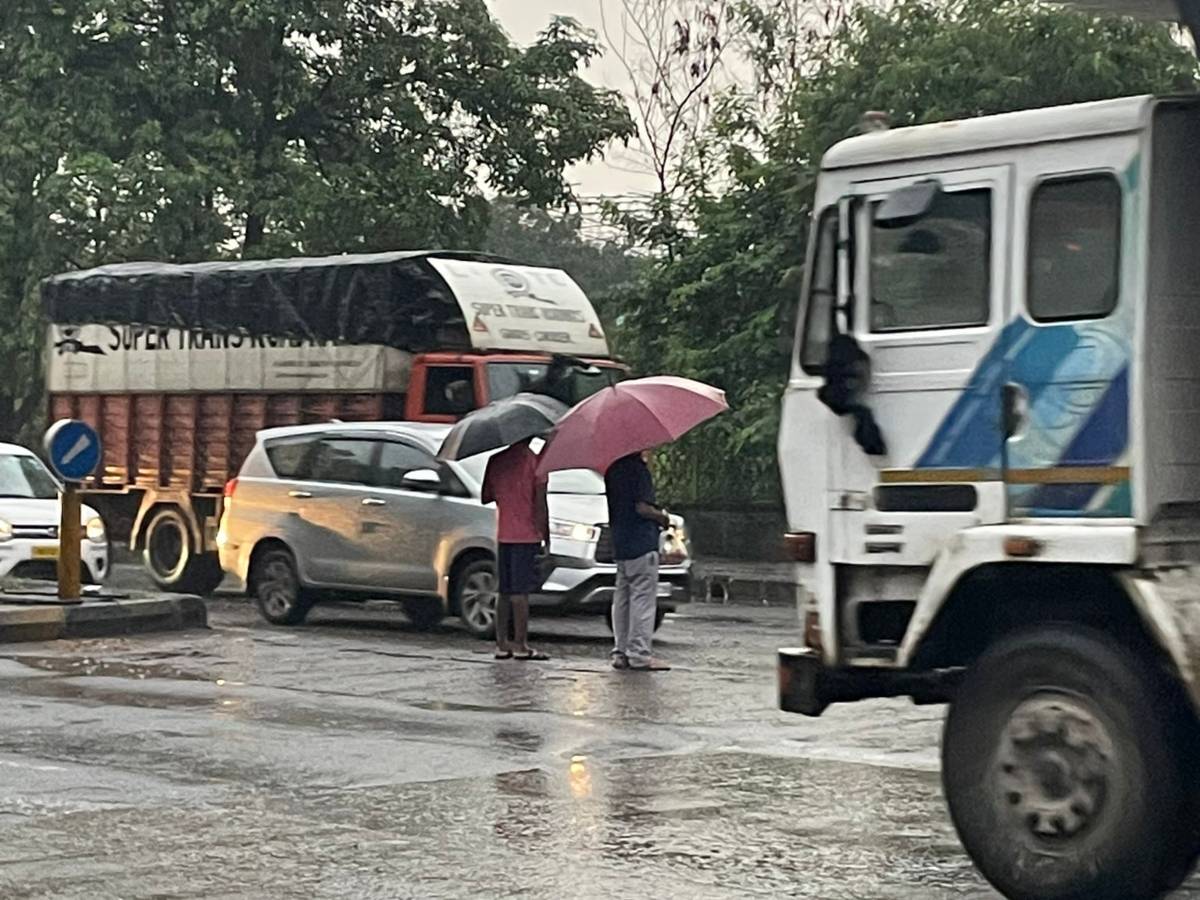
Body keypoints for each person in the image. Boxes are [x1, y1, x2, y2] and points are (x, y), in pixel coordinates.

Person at [481, 438, 550, 661]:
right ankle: (521, 643)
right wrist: (545, 535)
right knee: (521, 594)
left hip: (504, 534)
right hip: (527, 535)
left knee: (504, 591)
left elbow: (486, 496)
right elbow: (540, 504)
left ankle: (502, 643)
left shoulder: (496, 461)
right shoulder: (535, 463)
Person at [605, 449, 671, 672]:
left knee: (622, 600)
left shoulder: (612, 470)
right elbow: (642, 507)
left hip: (621, 542)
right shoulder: (638, 471)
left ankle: (620, 651)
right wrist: (662, 517)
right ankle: (640, 654)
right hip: (641, 542)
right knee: (643, 600)